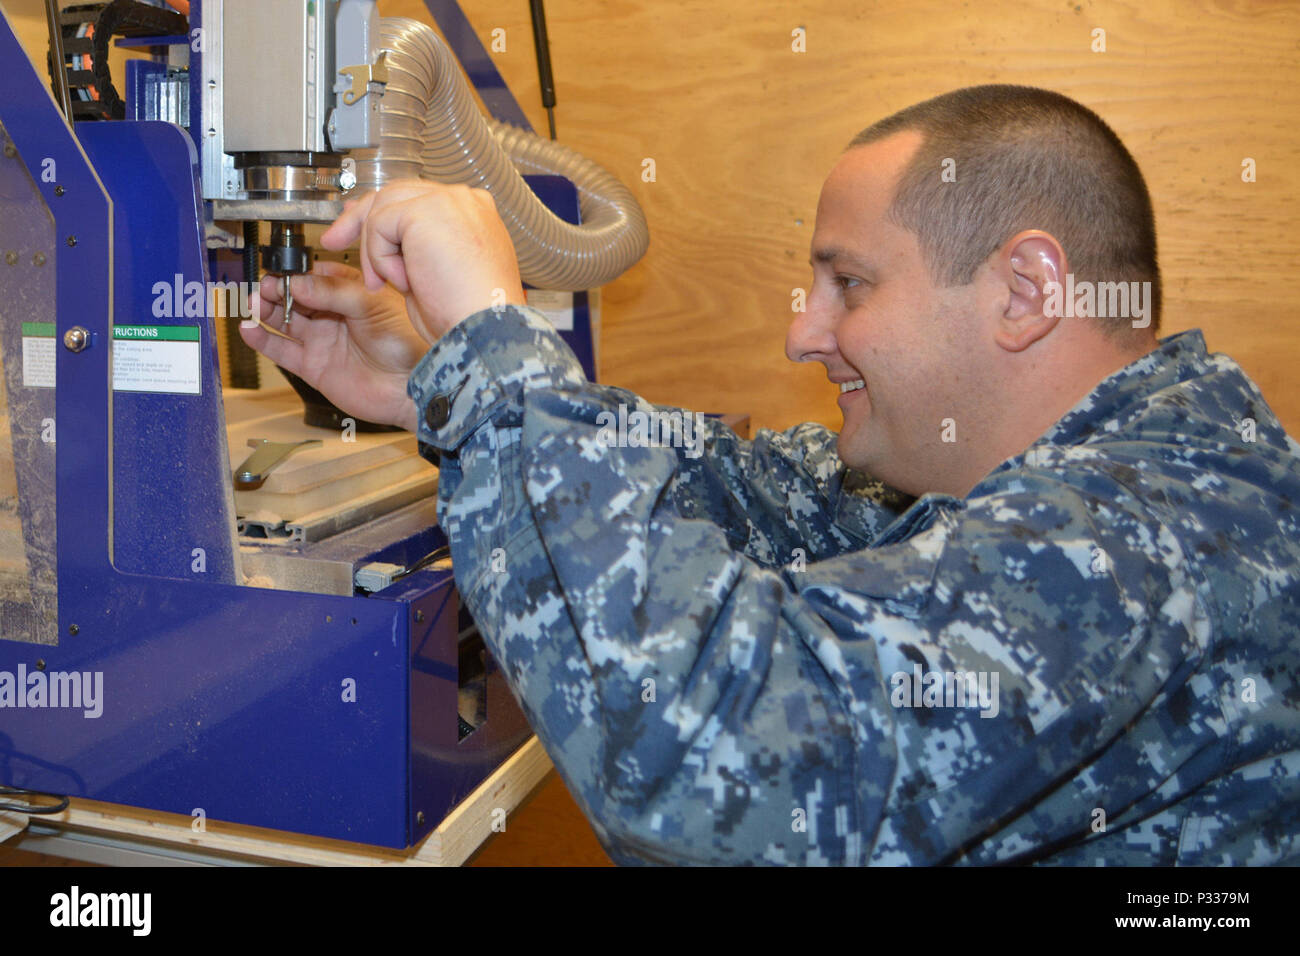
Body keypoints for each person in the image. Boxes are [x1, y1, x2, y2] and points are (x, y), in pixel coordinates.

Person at [241, 85, 1300, 865]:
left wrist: (493, 342)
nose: (802, 331)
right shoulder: (1046, 468)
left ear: (1025, 289)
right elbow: (739, 488)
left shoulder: (1158, 532)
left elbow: (708, 765)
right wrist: (443, 377)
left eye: (848, 281)